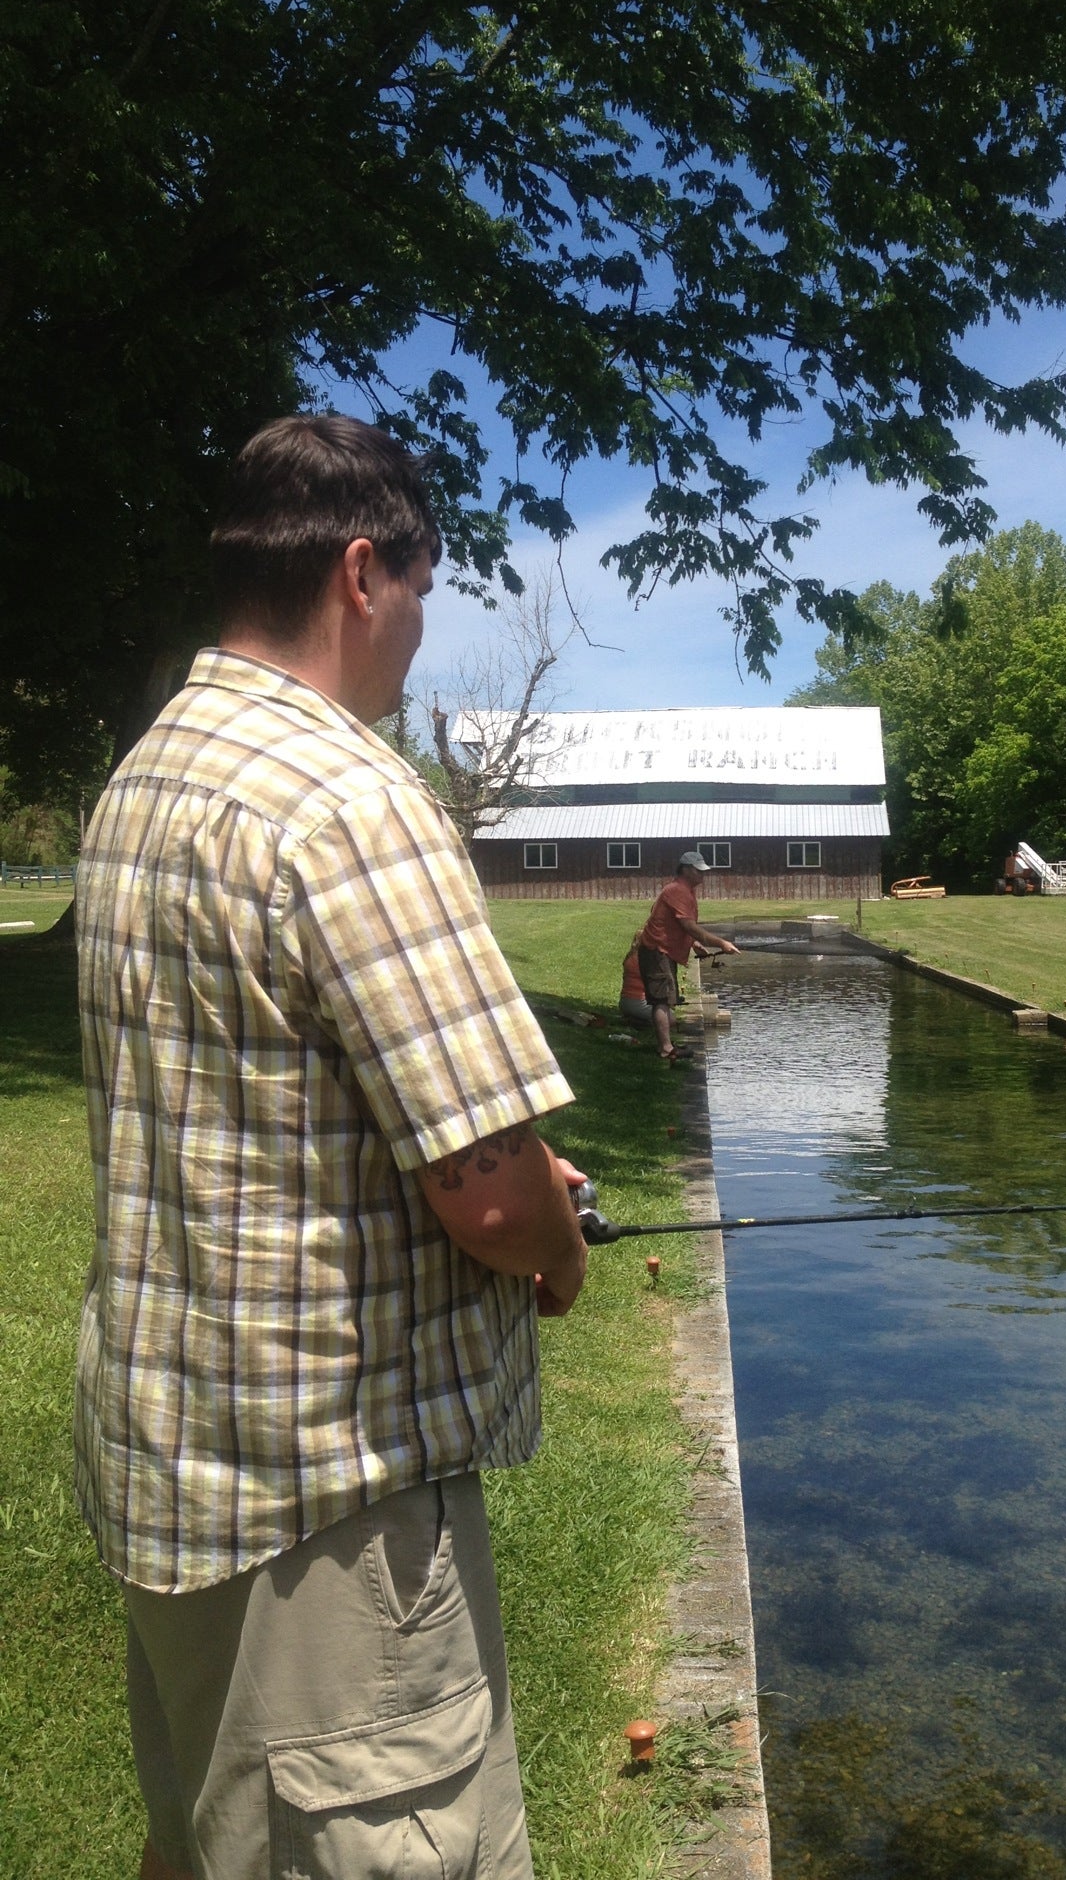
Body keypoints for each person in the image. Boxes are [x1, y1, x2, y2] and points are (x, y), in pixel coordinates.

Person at [74, 414, 588, 1880]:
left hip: (183, 1473)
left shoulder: (151, 777)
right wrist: (561, 1262)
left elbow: (258, 1099)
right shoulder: (352, 797)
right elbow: (492, 1199)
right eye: (425, 590)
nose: (422, 632)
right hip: (332, 1524)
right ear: (364, 573)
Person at [637, 851, 739, 1060]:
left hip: (663, 951)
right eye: (698, 870)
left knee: (666, 999)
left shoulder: (686, 891)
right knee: (662, 1000)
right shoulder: (677, 891)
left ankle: (667, 1045)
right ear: (686, 869)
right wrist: (721, 943)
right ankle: (666, 1049)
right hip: (657, 950)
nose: (703, 874)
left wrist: (695, 944)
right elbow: (689, 926)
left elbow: (680, 927)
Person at [618, 931, 653, 1028]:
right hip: (638, 1002)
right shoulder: (643, 959)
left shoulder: (630, 957)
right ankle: (641, 1023)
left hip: (624, 1001)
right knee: (669, 1018)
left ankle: (634, 1019)